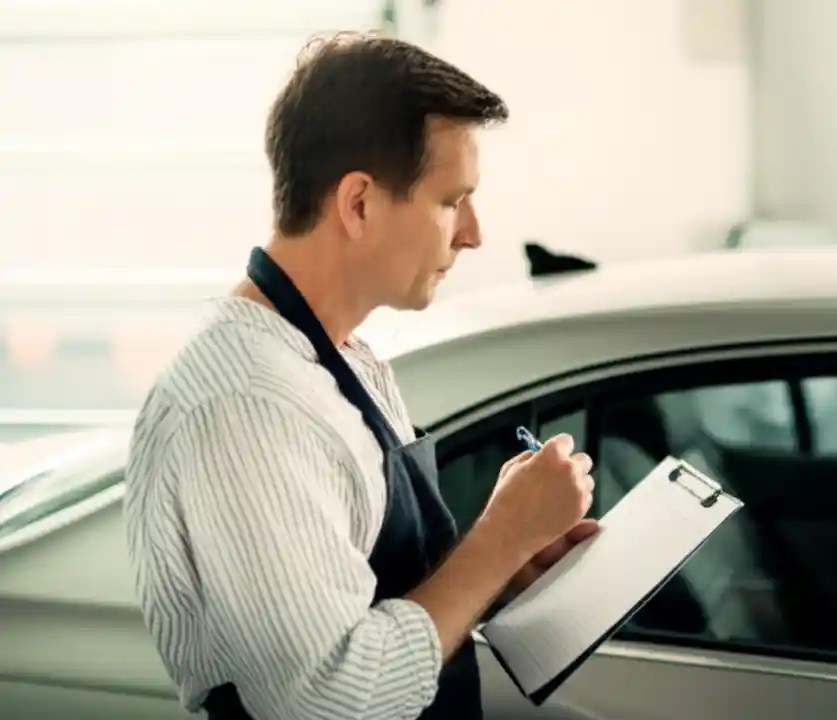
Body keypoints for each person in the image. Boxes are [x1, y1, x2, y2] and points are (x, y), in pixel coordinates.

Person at [122, 33, 598, 720]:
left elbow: (378, 606)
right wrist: (497, 540)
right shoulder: (247, 405)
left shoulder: (339, 362)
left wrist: (504, 559)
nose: (473, 234)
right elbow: (329, 699)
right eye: (451, 201)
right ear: (360, 205)